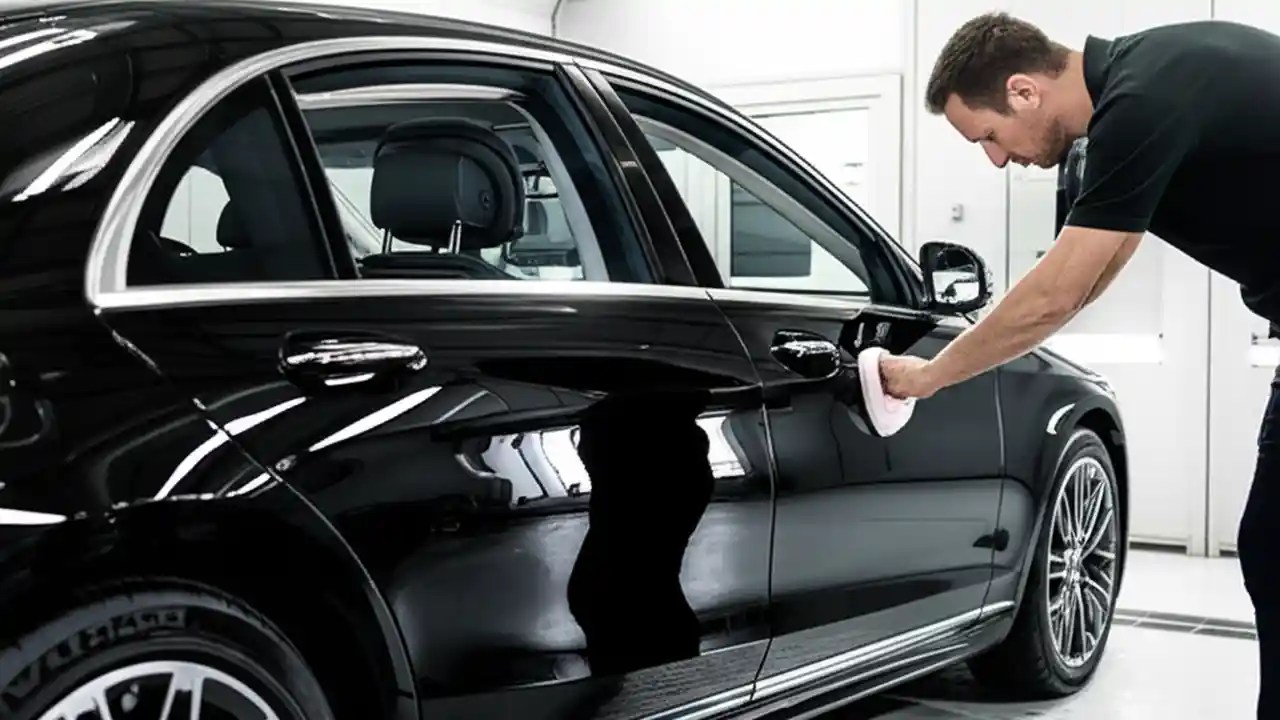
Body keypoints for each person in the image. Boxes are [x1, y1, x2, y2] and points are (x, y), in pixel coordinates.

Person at [878, 12, 1280, 717]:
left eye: (989, 138)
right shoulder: (1150, 81)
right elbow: (1096, 270)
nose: (997, 161)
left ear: (1025, 91)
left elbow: (1058, 294)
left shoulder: (1144, 101)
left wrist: (928, 376)